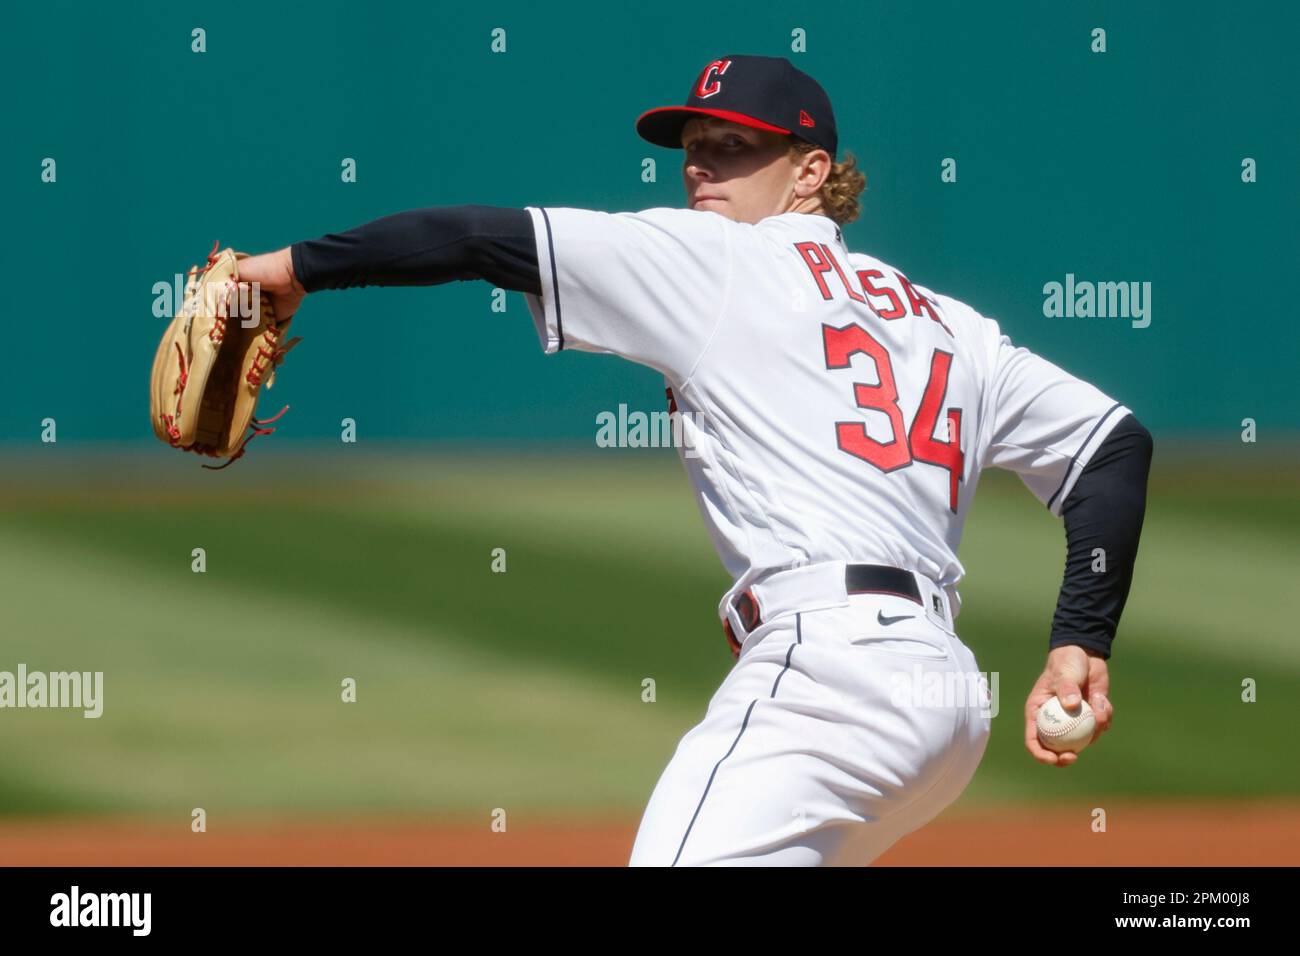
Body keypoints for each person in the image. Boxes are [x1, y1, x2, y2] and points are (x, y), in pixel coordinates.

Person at [236, 54, 1153, 866]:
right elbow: (1112, 445)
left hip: (831, 677)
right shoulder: (949, 322)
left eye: (738, 144)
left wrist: (291, 268)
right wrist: (1081, 640)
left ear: (812, 173)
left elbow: (484, 236)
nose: (703, 162)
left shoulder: (718, 260)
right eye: (694, 143)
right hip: (943, 702)